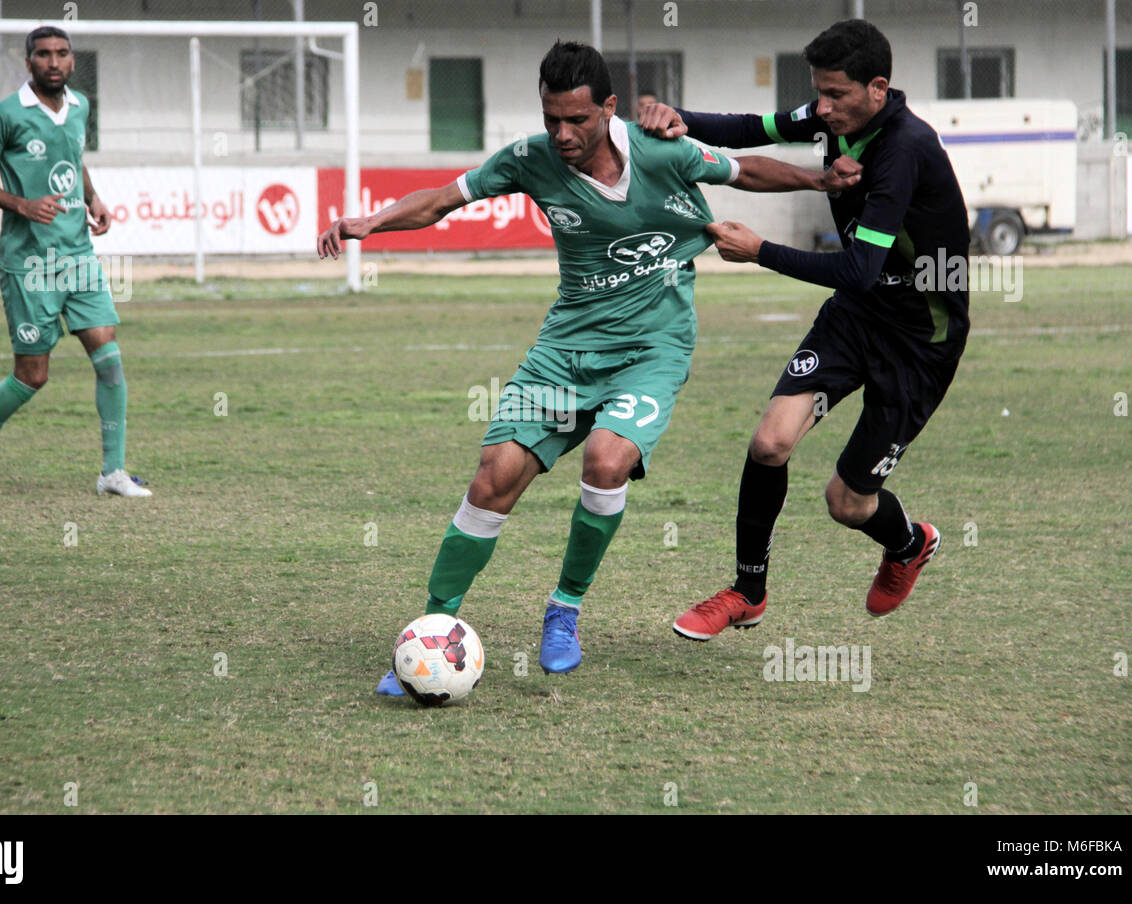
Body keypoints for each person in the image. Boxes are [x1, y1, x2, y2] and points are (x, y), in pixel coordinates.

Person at [318, 40, 859, 694]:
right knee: (494, 477)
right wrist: (365, 223)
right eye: (551, 119)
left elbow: (741, 171)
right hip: (566, 347)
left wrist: (817, 178)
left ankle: (565, 608)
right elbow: (441, 201)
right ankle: (434, 628)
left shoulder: (662, 150)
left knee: (607, 460)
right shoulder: (530, 160)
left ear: (609, 108)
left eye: (576, 119)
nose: (562, 134)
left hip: (654, 347)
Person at [638, 18, 968, 636]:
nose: (821, 107)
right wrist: (670, 115)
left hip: (920, 339)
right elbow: (750, 129)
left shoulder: (903, 149)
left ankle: (907, 543)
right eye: (818, 93)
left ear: (877, 88)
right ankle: (747, 592)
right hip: (855, 317)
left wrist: (758, 249)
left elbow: (861, 268)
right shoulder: (836, 116)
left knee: (846, 503)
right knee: (769, 443)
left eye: (835, 95)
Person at [0, 26, 149, 498]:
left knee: (109, 358)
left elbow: (73, 159)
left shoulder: (80, 107)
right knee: (32, 376)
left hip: (77, 253)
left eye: (62, 54)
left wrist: (93, 197)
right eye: (43, 55)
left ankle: (112, 472)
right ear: (29, 63)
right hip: (29, 262)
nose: (53, 62)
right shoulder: (4, 115)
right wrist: (22, 205)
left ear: (73, 61)